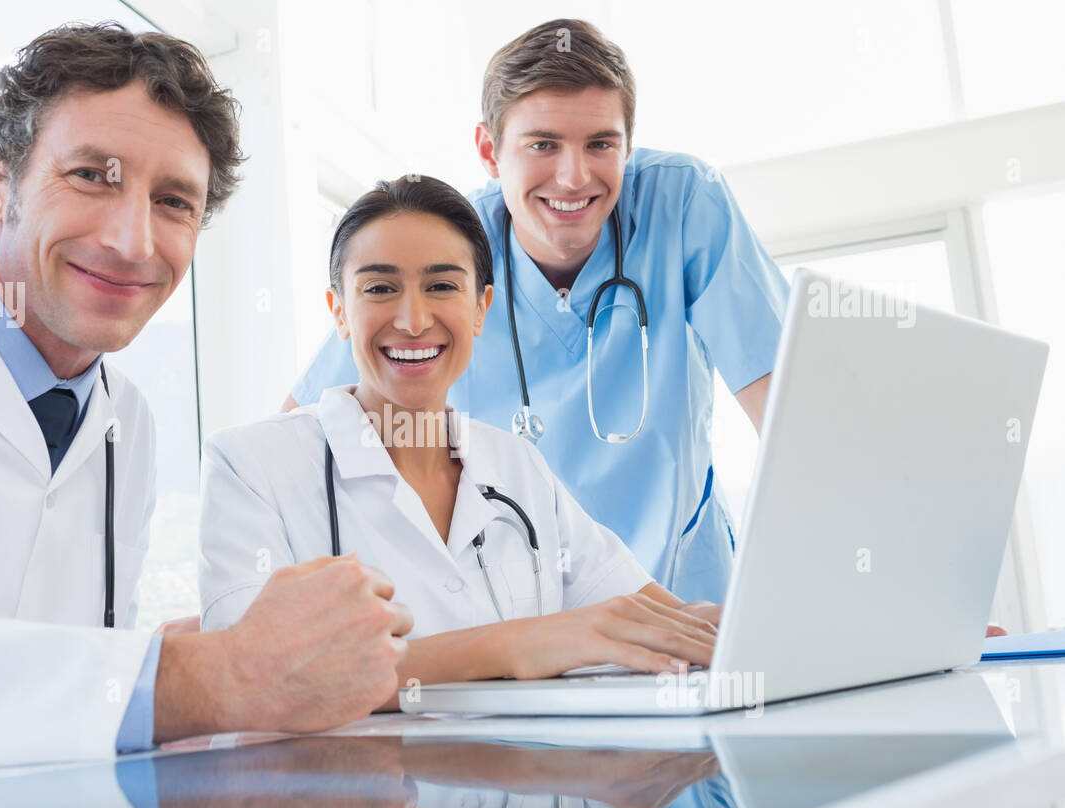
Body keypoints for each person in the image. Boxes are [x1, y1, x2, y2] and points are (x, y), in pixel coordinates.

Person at [0, 23, 409, 780]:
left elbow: (65, 703)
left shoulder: (125, 422)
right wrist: (218, 676)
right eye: (93, 176)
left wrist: (187, 659)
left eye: (173, 201)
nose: (134, 241)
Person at [283, 18, 787, 606]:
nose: (574, 177)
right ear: (489, 151)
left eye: (601, 143)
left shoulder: (683, 205)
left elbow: (792, 415)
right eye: (542, 144)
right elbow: (304, 437)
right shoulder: (448, 249)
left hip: (682, 593)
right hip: (519, 614)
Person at [199, 176, 718, 696]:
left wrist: (737, 628)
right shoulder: (251, 465)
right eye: (380, 289)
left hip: (529, 774)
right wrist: (516, 646)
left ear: (480, 309)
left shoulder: (517, 466)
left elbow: (649, 614)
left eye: (442, 286)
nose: (413, 319)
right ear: (338, 311)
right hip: (355, 779)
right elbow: (249, 680)